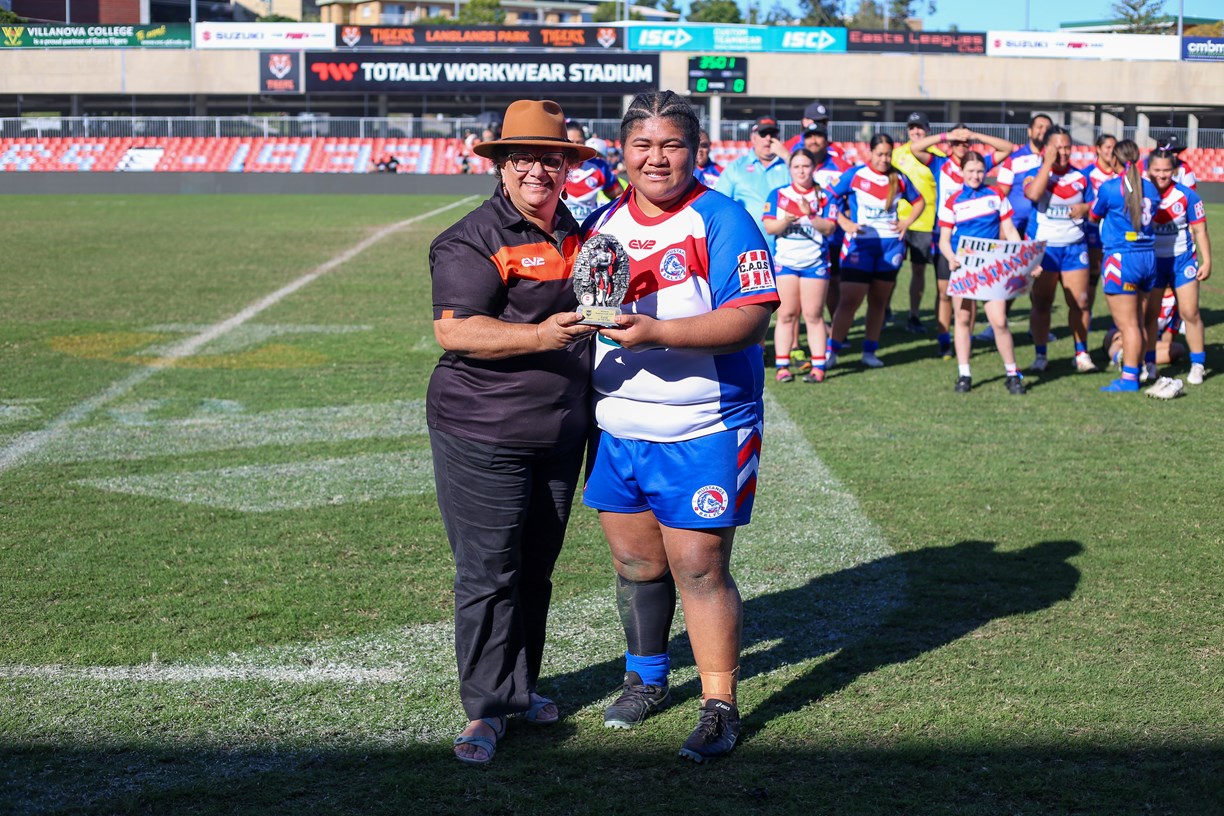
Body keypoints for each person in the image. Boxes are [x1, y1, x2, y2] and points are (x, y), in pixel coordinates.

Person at [582, 90, 779, 763]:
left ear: (696, 150)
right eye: (643, 144)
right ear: (623, 151)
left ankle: (719, 706)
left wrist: (657, 332)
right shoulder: (604, 221)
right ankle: (645, 680)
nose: (657, 158)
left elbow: (750, 317)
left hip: (705, 427)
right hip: (620, 427)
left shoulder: (722, 218)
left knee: (699, 567)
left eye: (672, 144)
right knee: (636, 564)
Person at [428, 99, 598, 765]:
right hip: (485, 428)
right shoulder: (471, 237)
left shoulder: (577, 229)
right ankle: (486, 708)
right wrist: (538, 336)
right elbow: (455, 329)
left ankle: (518, 690)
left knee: (534, 569)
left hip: (559, 432)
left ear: (567, 167)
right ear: (500, 164)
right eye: (522, 157)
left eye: (550, 159)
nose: (537, 170)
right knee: (489, 571)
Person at [908, 123, 1015, 358]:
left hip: (977, 241)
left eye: (965, 142)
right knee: (944, 292)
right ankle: (944, 339)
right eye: (957, 142)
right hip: (947, 237)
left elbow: (1007, 148)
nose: (961, 145)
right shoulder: (940, 164)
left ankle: (966, 338)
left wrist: (975, 135)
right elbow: (915, 148)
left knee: (971, 294)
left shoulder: (977, 165)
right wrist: (946, 136)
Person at [827, 133, 925, 369]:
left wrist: (906, 222)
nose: (884, 159)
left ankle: (869, 351)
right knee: (849, 300)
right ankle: (832, 352)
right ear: (870, 153)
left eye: (888, 154)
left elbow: (919, 201)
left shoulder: (899, 178)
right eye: (880, 154)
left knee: (879, 301)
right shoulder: (855, 175)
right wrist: (844, 223)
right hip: (860, 246)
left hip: (890, 248)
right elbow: (828, 198)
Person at [936, 150, 1027, 395]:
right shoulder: (952, 201)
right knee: (963, 319)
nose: (975, 176)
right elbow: (944, 239)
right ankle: (964, 373)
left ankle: (1012, 373)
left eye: (979, 171)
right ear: (961, 172)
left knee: (999, 321)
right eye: (970, 171)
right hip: (964, 267)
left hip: (991, 267)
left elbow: (1010, 231)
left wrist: (1023, 257)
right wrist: (951, 257)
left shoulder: (996, 194)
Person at [1019, 125, 1095, 373]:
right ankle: (1041, 355)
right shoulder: (1034, 174)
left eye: (1067, 147)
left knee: (1080, 302)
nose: (1063, 152)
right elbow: (1033, 194)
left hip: (1074, 247)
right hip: (1045, 249)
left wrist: (1085, 208)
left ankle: (1081, 353)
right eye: (1057, 147)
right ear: (1046, 149)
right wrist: (1047, 164)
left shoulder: (1081, 177)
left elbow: (1095, 207)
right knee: (1042, 302)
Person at [1088, 138, 1159, 393]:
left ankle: (1129, 378)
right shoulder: (1150, 188)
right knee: (1138, 321)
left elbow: (1093, 215)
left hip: (1122, 258)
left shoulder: (1110, 188)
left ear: (1114, 159)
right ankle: (1139, 368)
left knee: (1128, 325)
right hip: (1147, 257)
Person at [763, 148, 839, 383]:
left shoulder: (824, 195)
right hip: (786, 262)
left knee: (813, 315)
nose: (801, 171)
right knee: (786, 314)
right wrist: (785, 220)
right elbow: (769, 227)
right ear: (790, 169)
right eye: (796, 167)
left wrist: (811, 216)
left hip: (815, 263)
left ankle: (818, 367)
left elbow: (830, 228)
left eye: (806, 166)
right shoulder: (778, 194)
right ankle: (782, 366)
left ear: (814, 168)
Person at [986, 113, 1054, 343]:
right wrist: (999, 224)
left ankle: (1038, 327)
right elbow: (1001, 192)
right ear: (1029, 131)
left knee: (1039, 277)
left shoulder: (1053, 158)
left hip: (1041, 226)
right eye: (1039, 126)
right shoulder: (1014, 159)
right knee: (1009, 275)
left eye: (1047, 127)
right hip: (1013, 226)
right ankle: (996, 323)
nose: (1043, 131)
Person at [1148, 148, 1212, 385]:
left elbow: (1200, 230)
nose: (1162, 175)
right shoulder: (1142, 194)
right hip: (1153, 262)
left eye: (1166, 170)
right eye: (1157, 170)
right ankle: (1150, 364)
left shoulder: (1187, 195)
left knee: (1190, 312)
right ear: (1149, 170)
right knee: (1150, 315)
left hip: (1182, 261)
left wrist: (1207, 261)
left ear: (1174, 171)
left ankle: (1198, 364)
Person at [891, 111, 941, 335]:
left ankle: (914, 315)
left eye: (920, 127)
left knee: (918, 271)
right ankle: (885, 311)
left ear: (928, 130)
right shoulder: (895, 154)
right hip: (897, 221)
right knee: (890, 270)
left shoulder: (937, 156)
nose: (916, 131)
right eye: (912, 128)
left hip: (924, 223)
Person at [715, 115, 791, 252]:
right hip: (746, 246)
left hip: (785, 249)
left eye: (772, 134)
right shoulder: (736, 167)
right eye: (763, 134)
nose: (768, 138)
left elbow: (807, 190)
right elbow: (720, 204)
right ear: (753, 138)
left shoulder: (789, 167)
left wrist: (787, 156)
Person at [1085, 134, 1119, 322]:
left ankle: (1120, 318)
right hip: (1093, 230)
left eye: (1114, 147)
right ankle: (1087, 314)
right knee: (1093, 274)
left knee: (1117, 275)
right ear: (1098, 149)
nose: (1111, 151)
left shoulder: (1120, 174)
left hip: (1116, 232)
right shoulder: (1087, 174)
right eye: (1107, 147)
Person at [565, 121, 625, 224]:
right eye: (570, 142)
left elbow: (619, 195)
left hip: (589, 229)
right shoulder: (553, 166)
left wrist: (609, 218)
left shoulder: (599, 167)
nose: (575, 146)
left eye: (579, 142)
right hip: (560, 230)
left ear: (585, 143)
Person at [784, 101, 846, 166]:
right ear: (805, 122)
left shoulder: (836, 150)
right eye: (817, 121)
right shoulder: (790, 145)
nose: (820, 125)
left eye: (823, 122)